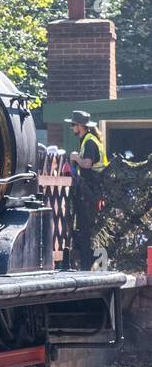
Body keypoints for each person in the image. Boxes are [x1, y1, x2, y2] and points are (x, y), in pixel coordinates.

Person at [67, 109, 108, 271]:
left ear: (80, 126)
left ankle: (87, 268)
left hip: (90, 191)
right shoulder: (88, 140)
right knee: (92, 228)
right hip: (93, 190)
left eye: (73, 125)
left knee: (86, 229)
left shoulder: (89, 142)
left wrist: (76, 157)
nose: (71, 128)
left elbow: (87, 164)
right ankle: (96, 266)